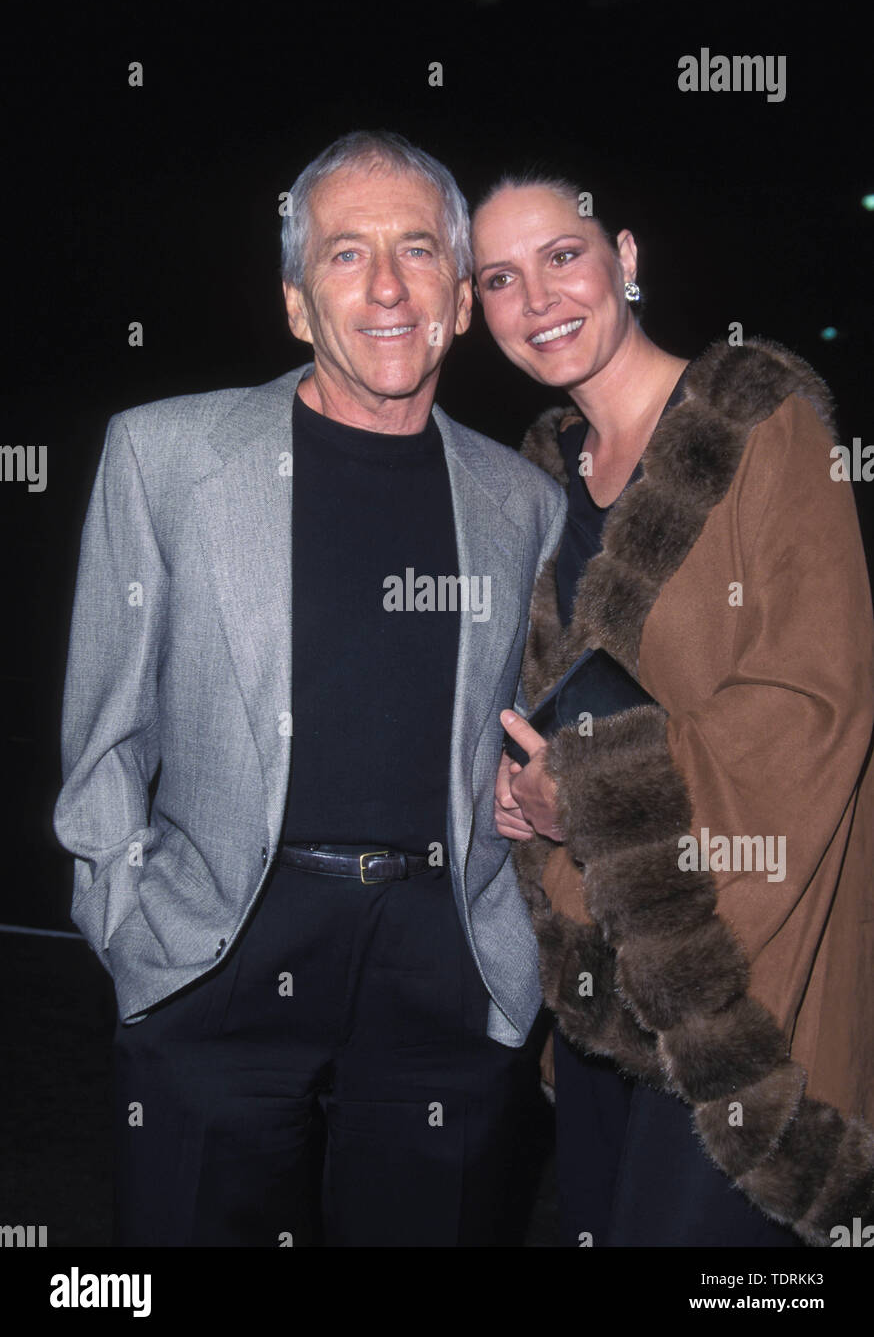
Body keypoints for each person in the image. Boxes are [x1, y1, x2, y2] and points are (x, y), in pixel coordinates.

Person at [52, 132, 567, 1247]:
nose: (386, 286)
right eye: (344, 254)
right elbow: (105, 734)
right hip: (219, 949)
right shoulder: (164, 457)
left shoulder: (524, 500)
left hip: (445, 964)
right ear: (297, 303)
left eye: (418, 250)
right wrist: (128, 922)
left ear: (461, 298)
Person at [472, 173, 874, 1248]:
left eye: (563, 255)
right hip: (597, 993)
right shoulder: (533, 479)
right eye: (500, 278)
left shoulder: (759, 424)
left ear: (626, 258)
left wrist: (588, 790)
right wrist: (514, 796)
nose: (538, 297)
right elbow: (528, 709)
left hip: (742, 987)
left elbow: (815, 703)